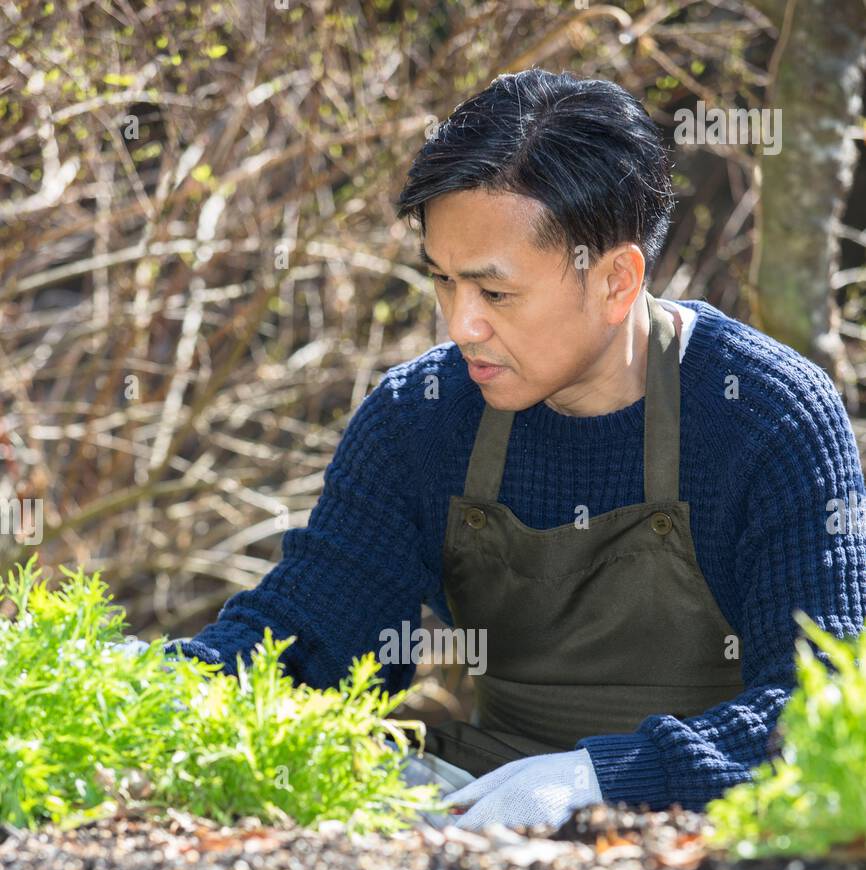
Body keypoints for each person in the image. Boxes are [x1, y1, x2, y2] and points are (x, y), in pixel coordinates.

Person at [165, 70, 866, 831]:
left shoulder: (768, 416)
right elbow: (305, 640)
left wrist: (605, 778)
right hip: (475, 806)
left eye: (494, 294)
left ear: (615, 280)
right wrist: (142, 690)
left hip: (711, 834)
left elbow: (818, 710)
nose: (460, 325)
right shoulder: (421, 417)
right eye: (441, 282)